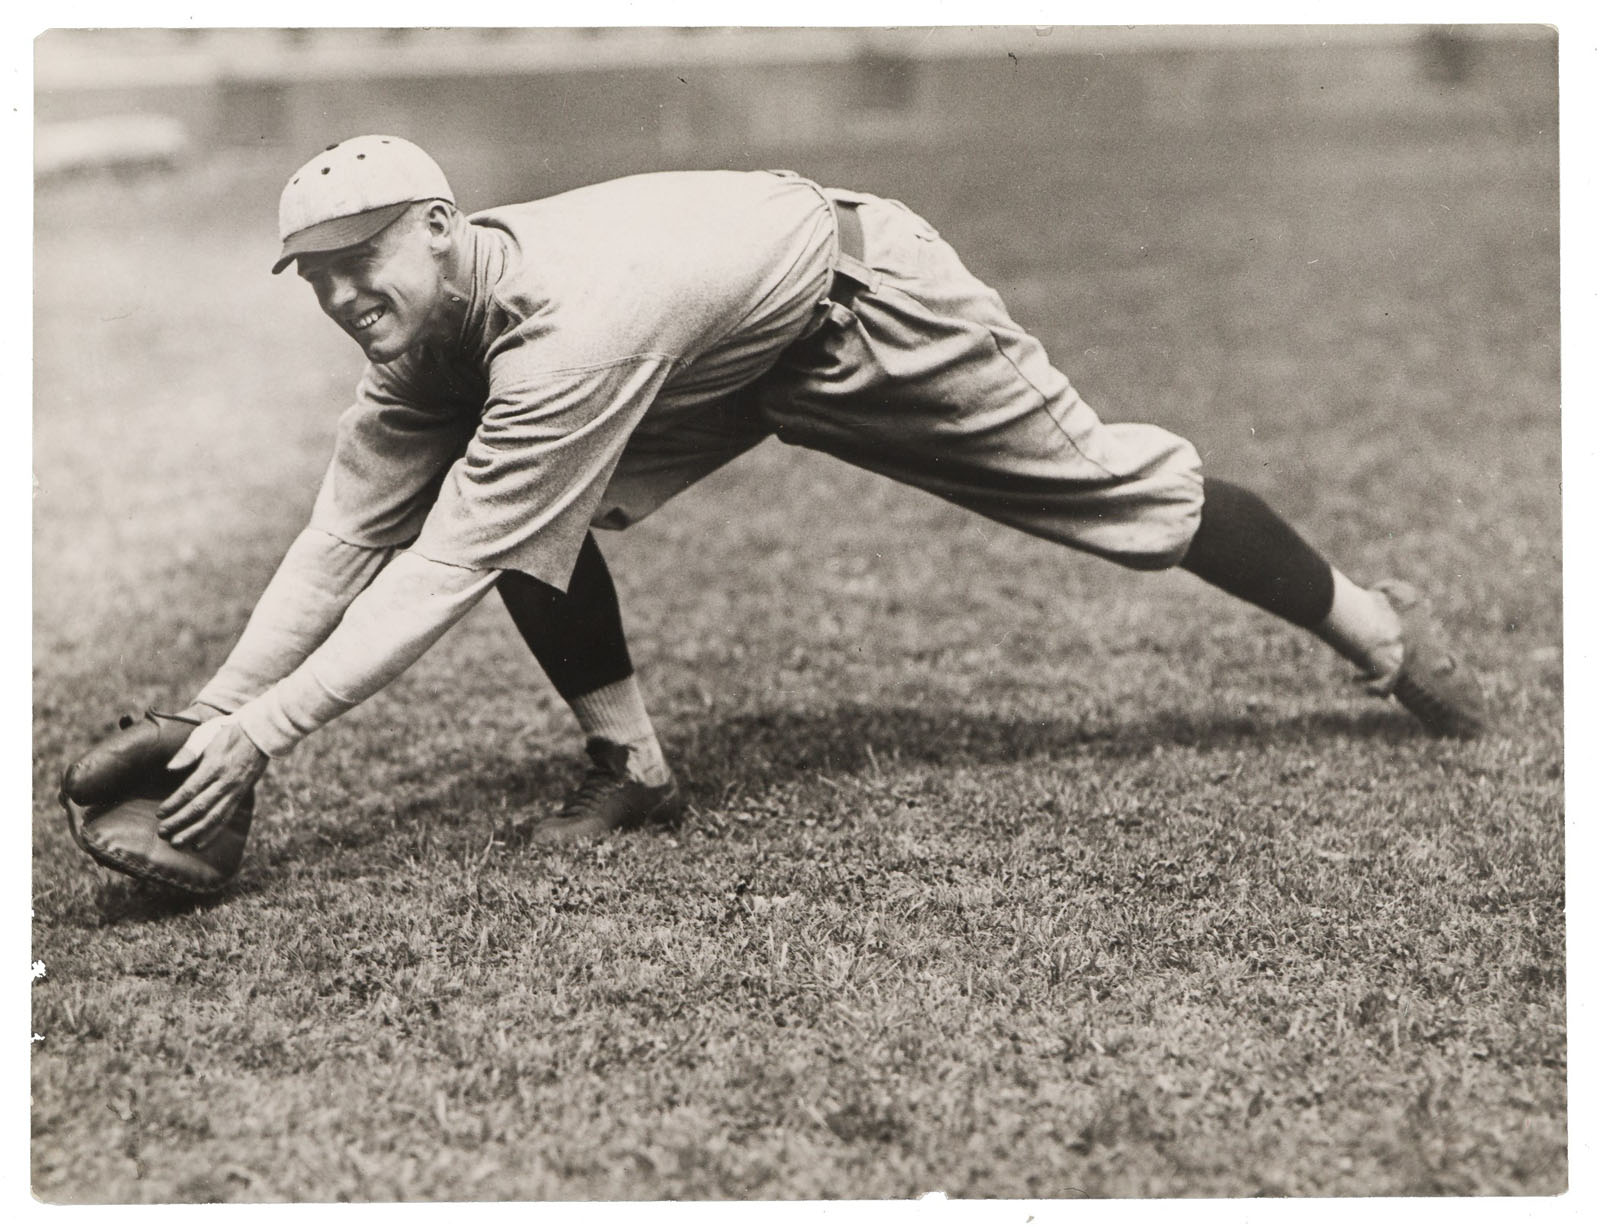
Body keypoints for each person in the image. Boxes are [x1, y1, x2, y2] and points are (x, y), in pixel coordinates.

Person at [152, 134, 1486, 853]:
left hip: (862, 304)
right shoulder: (429, 334)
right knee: (514, 513)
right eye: (312, 276)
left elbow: (434, 569)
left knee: (1118, 498)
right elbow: (346, 537)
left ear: (440, 228)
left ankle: (1373, 627)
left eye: (360, 257)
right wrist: (213, 712)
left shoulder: (567, 333)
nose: (338, 295)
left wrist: (262, 738)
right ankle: (635, 769)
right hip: (714, 340)